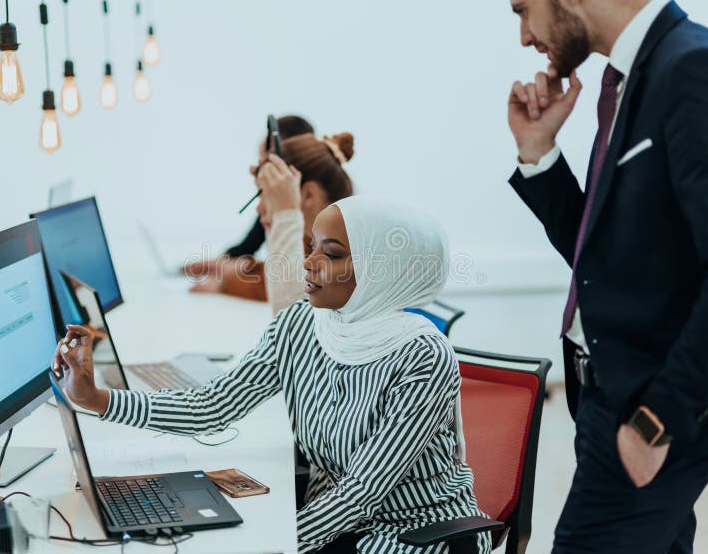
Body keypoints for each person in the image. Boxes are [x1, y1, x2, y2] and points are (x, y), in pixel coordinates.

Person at [53, 196, 491, 554]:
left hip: (417, 534)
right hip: (337, 525)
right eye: (312, 247)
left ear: (381, 270)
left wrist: (277, 543)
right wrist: (98, 400)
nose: (309, 263)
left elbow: (362, 491)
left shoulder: (422, 355)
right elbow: (212, 406)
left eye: (331, 253)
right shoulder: (301, 323)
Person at [496, 0, 708, 551]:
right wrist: (540, 154)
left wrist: (658, 421)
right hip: (602, 394)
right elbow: (605, 258)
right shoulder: (628, 81)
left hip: (649, 408)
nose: (525, 35)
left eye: (524, 10)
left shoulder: (694, 68)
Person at [191, 133, 356, 316]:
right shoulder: (314, 242)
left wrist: (285, 214)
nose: (259, 208)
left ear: (309, 194)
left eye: (267, 193)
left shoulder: (345, 258)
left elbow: (292, 318)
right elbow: (280, 271)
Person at [183, 114, 314, 273]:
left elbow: (290, 274)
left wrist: (226, 278)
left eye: (265, 162)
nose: (258, 170)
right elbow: (248, 246)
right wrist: (216, 264)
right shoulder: (272, 208)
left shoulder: (308, 215)